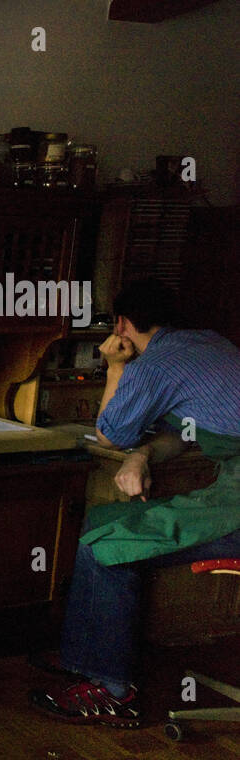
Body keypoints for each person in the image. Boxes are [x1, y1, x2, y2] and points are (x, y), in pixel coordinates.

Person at [30, 279, 240, 727]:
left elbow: (111, 434)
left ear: (122, 324)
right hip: (230, 491)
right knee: (100, 522)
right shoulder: (210, 343)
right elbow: (188, 429)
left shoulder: (154, 365)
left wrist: (113, 368)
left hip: (236, 501)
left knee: (108, 547)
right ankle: (85, 660)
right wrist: (145, 454)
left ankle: (112, 692)